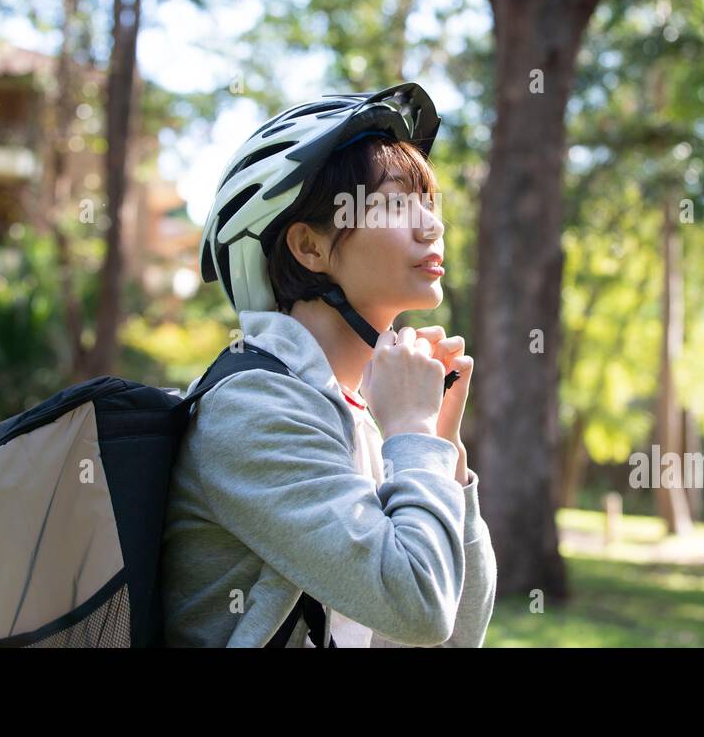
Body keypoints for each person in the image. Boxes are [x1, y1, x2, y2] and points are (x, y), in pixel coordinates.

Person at [161, 82, 497, 647]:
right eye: (395, 204)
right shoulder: (254, 408)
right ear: (309, 248)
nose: (431, 225)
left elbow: (451, 635)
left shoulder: (356, 412)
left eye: (428, 202)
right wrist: (414, 438)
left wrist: (446, 460)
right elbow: (417, 606)